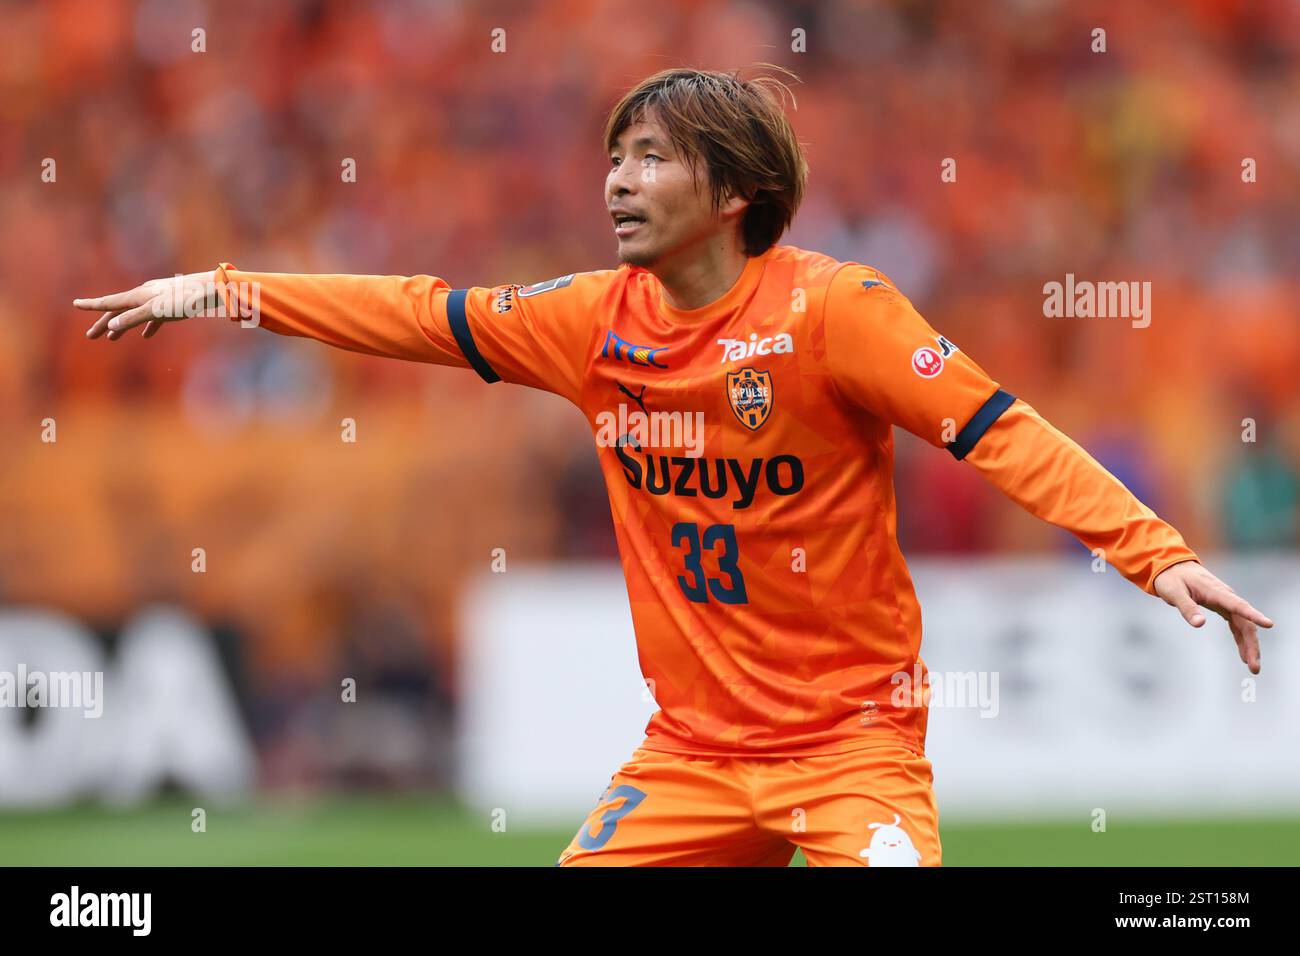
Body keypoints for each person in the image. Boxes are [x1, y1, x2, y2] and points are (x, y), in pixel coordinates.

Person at [74, 67, 1273, 867]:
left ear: (735, 190)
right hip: (691, 753)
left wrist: (1154, 554)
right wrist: (224, 288)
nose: (614, 180)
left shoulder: (835, 312)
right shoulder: (590, 320)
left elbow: (996, 427)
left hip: (853, 743)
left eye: (647, 158)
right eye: (612, 157)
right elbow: (416, 311)